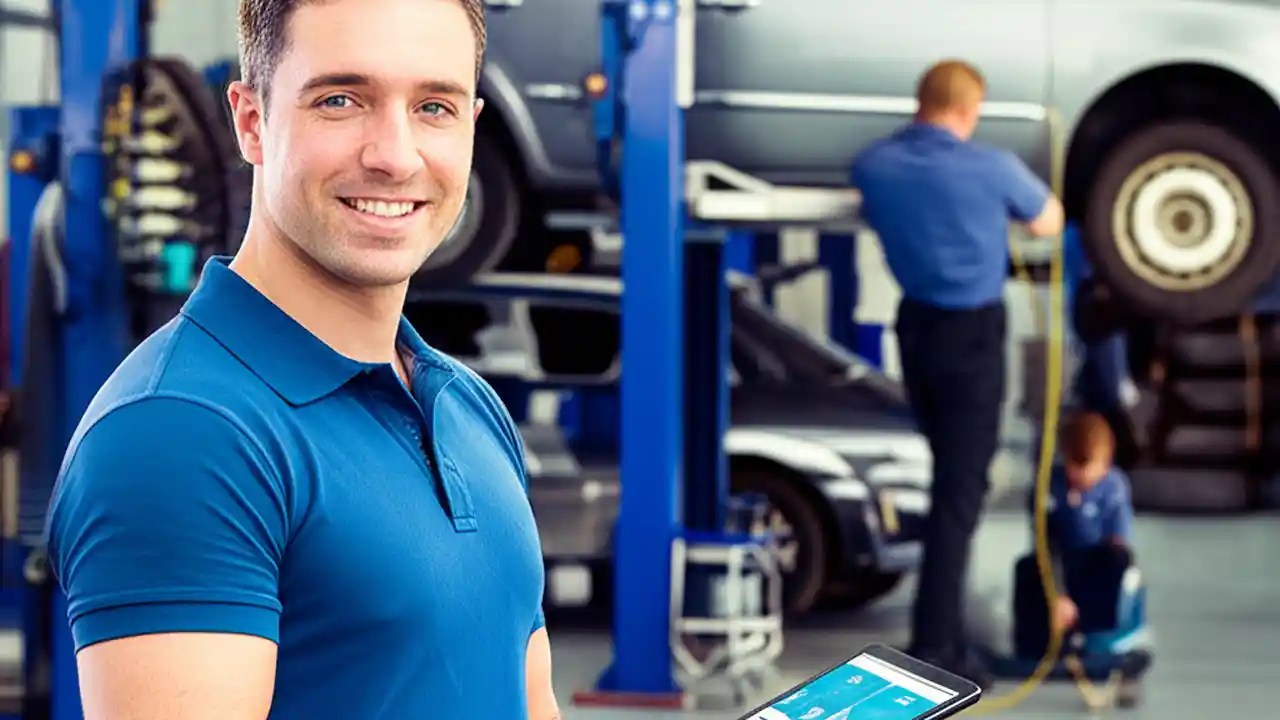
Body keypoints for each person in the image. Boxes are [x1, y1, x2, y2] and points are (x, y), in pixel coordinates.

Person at [43, 1, 559, 718]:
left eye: (434, 106)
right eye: (341, 100)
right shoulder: (180, 434)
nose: (395, 154)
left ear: (471, 124)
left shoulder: (468, 405)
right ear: (251, 120)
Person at [850, 59, 1065, 685]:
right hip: (973, 339)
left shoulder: (875, 165)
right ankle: (935, 646)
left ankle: (938, 631)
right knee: (959, 495)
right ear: (970, 111)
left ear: (920, 103)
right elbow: (1047, 219)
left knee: (950, 483)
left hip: (915, 331)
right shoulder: (990, 166)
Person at [1041, 411, 1136, 636]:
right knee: (1030, 568)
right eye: (1075, 468)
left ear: (1105, 465)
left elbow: (1117, 539)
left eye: (1088, 470)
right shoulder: (1053, 485)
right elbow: (1047, 537)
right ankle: (1038, 640)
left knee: (1117, 562)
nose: (1081, 477)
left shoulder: (1114, 487)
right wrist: (1059, 593)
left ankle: (1098, 631)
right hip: (1063, 555)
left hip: (1097, 556)